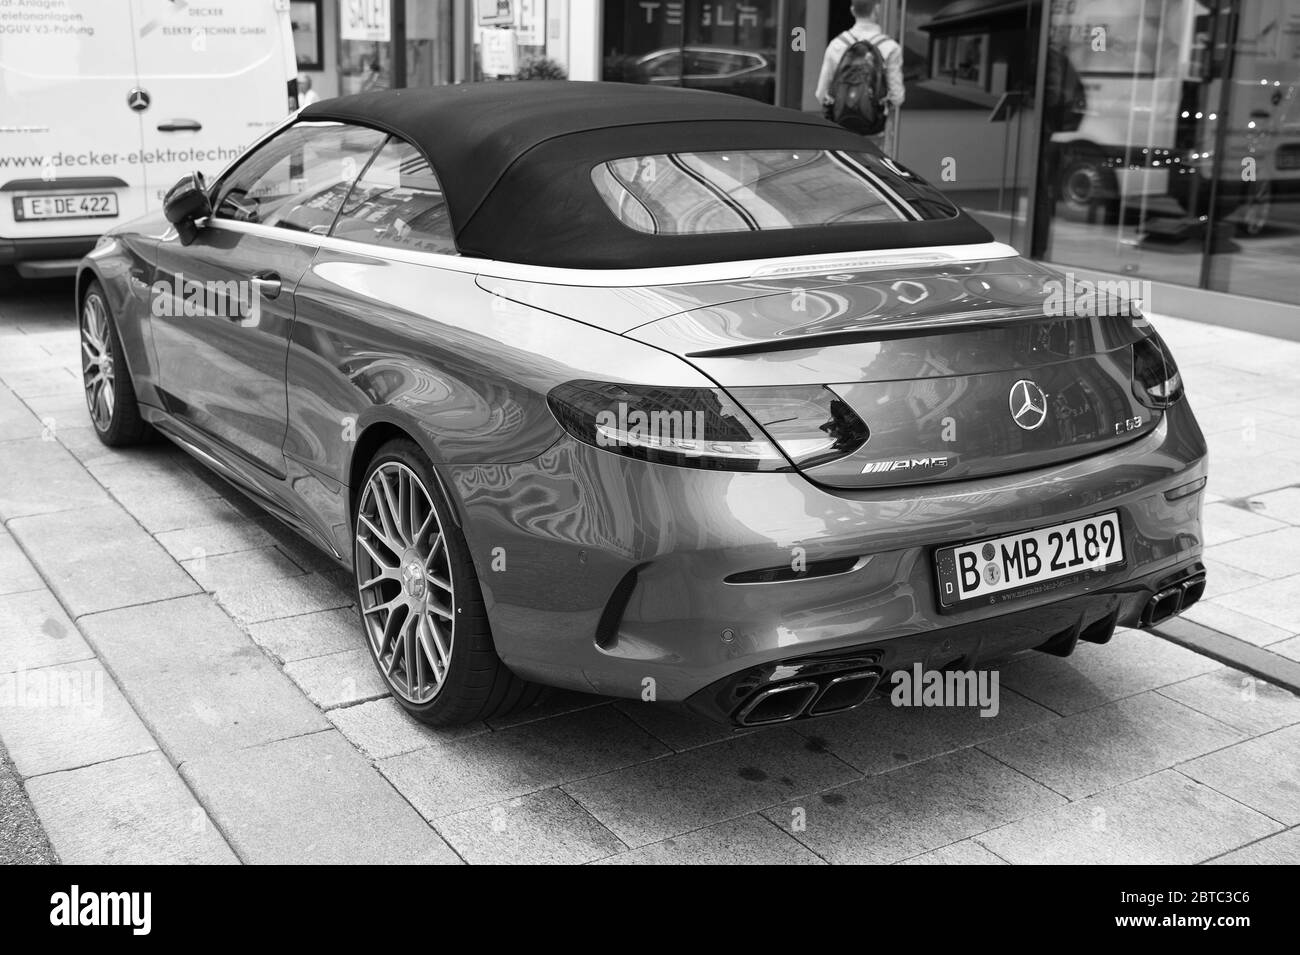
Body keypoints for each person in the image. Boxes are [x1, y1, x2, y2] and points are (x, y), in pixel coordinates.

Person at [814, 0, 905, 154]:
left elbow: (820, 94)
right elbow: (897, 98)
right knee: (875, 173)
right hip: (875, 131)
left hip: (841, 129)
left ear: (852, 10)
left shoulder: (836, 44)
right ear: (877, 9)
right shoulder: (890, 47)